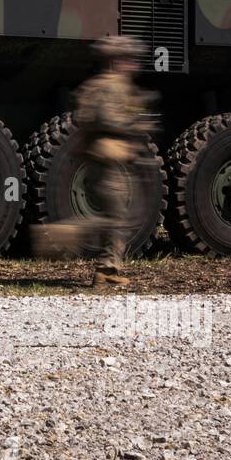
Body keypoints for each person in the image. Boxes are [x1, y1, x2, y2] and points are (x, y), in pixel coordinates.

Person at [71, 36, 156, 285]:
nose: (133, 64)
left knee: (121, 217)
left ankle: (109, 271)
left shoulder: (114, 85)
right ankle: (102, 268)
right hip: (106, 162)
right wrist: (135, 122)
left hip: (112, 161)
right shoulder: (107, 86)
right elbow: (104, 118)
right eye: (129, 59)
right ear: (117, 60)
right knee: (117, 218)